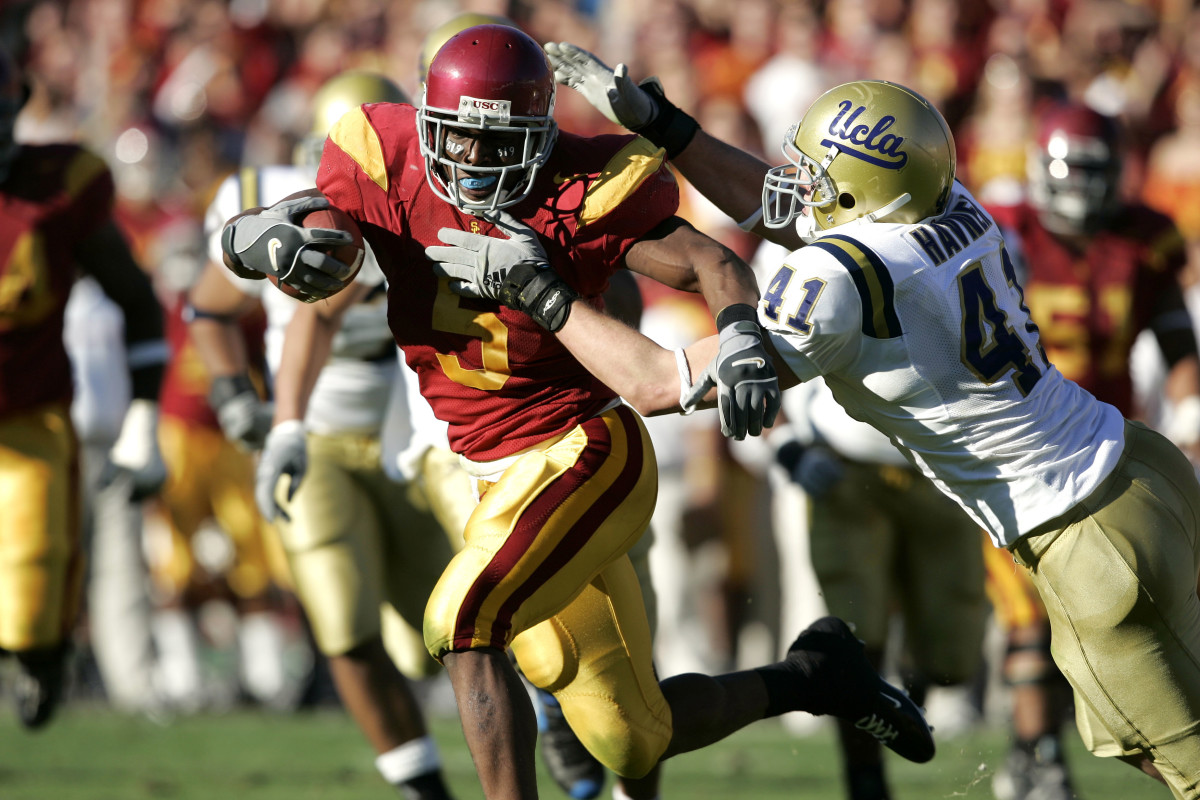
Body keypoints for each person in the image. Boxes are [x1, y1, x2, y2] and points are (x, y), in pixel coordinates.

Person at [218, 24, 934, 800]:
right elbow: (319, 219)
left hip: (586, 450)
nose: (475, 161)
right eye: (457, 139)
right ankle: (815, 674)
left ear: (541, 136)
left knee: (461, 620)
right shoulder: (378, 154)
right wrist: (264, 240)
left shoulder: (578, 186)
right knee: (633, 737)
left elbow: (710, 259)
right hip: (490, 472)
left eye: (501, 145)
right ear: (427, 124)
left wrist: (740, 336)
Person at [491, 45, 1200, 798]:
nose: (800, 183)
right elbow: (780, 206)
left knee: (1177, 761)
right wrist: (666, 126)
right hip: (1142, 467)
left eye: (818, 173)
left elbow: (659, 383)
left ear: (861, 191)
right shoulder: (954, 204)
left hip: (1079, 535)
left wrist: (541, 293)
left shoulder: (839, 282)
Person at [187, 70, 462, 799]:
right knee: (342, 620)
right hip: (313, 427)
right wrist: (235, 394)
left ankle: (553, 730)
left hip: (417, 422)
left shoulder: (424, 201)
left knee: (458, 617)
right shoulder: (269, 201)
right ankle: (421, 784)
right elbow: (209, 309)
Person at [982, 100, 1200, 800]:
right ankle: (1035, 757)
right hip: (1017, 454)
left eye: (1094, 173)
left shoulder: (1145, 238)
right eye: (1068, 171)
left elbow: (1177, 346)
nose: (1079, 189)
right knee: (1031, 617)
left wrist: (1192, 422)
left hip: (1111, 449)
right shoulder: (1000, 231)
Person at [0, 47, 166, 729]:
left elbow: (138, 301)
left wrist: (144, 418)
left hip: (30, 420)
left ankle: (41, 659)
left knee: (33, 592)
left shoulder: (60, 188)